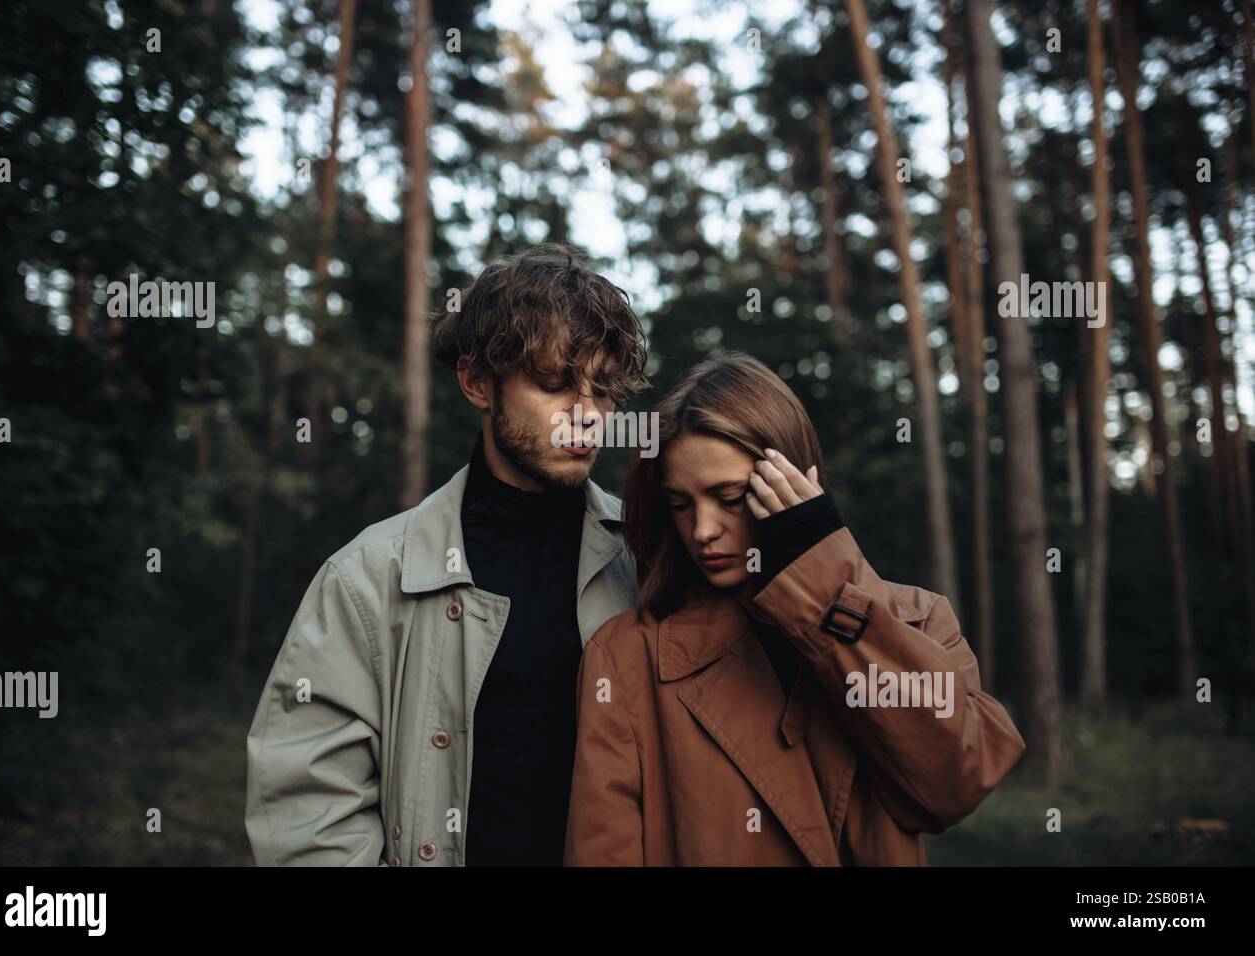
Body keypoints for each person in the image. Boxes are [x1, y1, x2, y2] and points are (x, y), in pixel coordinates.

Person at [245, 242, 649, 866]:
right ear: (476, 382)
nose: (588, 416)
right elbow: (309, 815)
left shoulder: (649, 560)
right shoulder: (368, 577)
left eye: (602, 389)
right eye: (554, 383)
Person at [564, 353, 1026, 866]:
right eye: (680, 503)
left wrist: (823, 579)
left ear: (795, 484)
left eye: (731, 497)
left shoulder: (916, 618)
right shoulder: (628, 656)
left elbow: (957, 783)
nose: (702, 530)